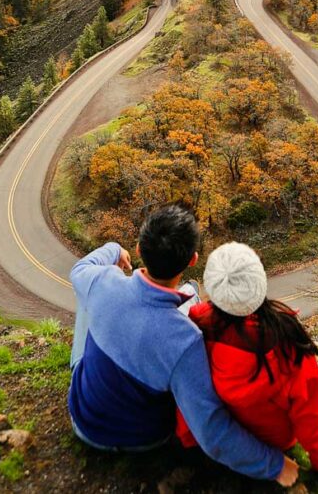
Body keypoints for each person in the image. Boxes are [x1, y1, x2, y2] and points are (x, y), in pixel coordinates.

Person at [68, 205, 298, 486]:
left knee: (87, 296)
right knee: (189, 295)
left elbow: (79, 269)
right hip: (141, 440)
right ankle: (189, 294)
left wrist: (114, 249)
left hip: (81, 417)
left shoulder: (103, 281)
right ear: (193, 259)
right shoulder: (186, 340)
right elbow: (211, 430)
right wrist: (274, 465)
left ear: (139, 249)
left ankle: (182, 295)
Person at [176, 241, 318, 475]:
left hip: (227, 430)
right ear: (259, 284)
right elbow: (310, 415)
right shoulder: (287, 343)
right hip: (276, 441)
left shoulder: (199, 325)